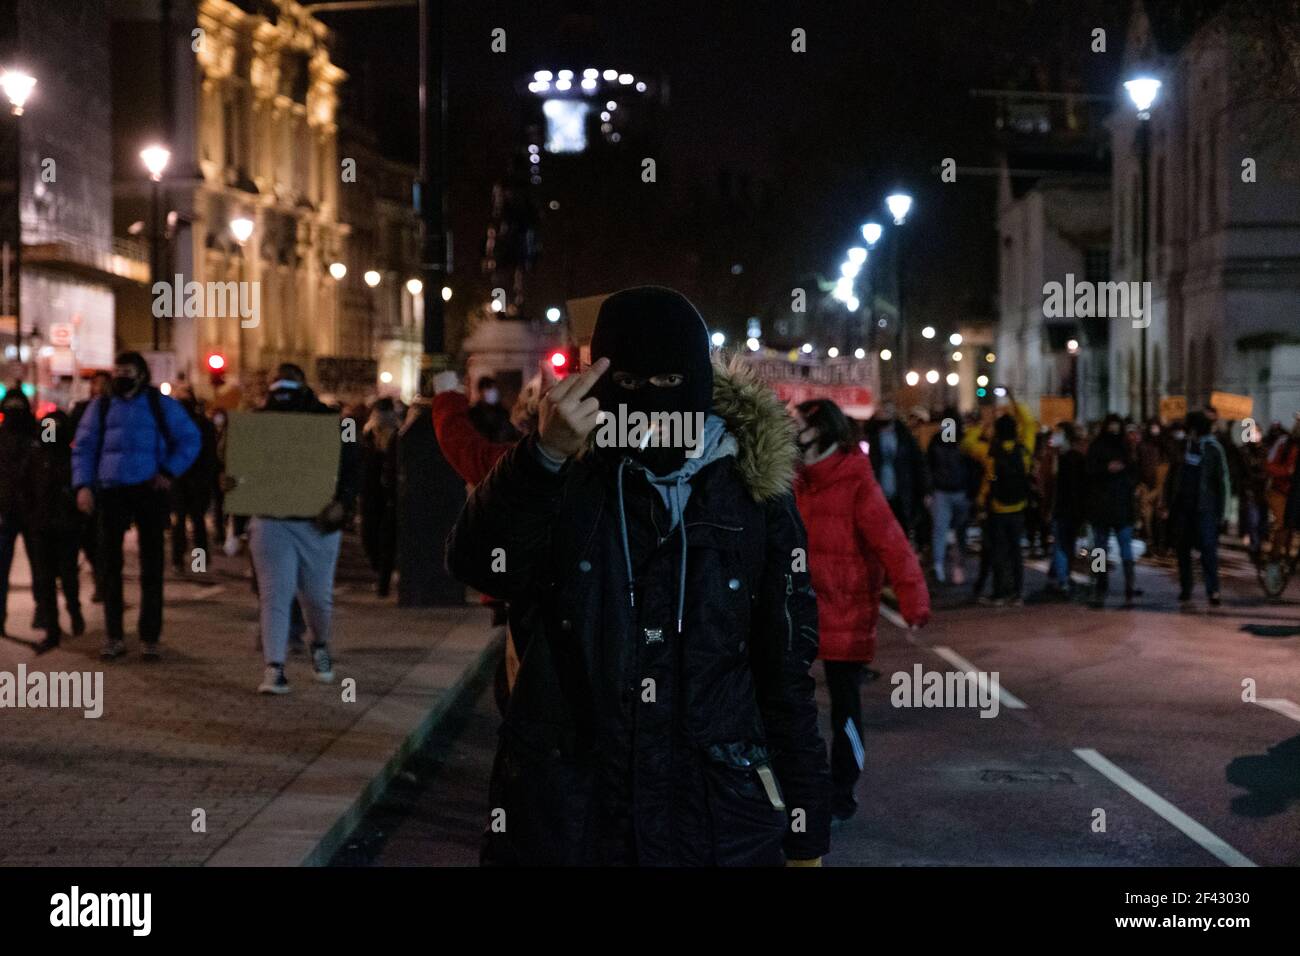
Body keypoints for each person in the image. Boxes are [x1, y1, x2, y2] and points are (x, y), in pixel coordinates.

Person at [447, 286, 831, 866]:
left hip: (712, 823)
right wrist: (542, 458)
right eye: (628, 387)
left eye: (668, 388)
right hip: (571, 818)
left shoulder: (752, 495)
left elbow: (785, 675)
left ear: (697, 386)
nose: (649, 407)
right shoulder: (567, 474)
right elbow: (479, 563)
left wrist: (806, 830)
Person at [794, 398, 929, 823]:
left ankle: (842, 792)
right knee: (788, 708)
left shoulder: (856, 481)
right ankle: (796, 790)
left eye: (799, 424)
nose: (791, 431)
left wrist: (914, 601)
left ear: (821, 430)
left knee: (845, 709)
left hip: (846, 613)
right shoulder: (792, 481)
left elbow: (892, 543)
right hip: (796, 613)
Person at [72, 353, 200, 660]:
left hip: (148, 490)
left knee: (152, 568)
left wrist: (169, 471)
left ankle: (149, 637)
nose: (120, 377)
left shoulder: (159, 405)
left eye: (126, 371)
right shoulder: (100, 407)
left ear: (141, 374)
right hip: (111, 490)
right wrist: (83, 486)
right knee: (109, 568)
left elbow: (190, 439)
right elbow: (84, 448)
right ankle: (114, 636)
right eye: (117, 371)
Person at [245, 364, 360, 694]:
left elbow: (352, 465)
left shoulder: (332, 422)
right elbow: (238, 465)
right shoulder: (256, 423)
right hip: (271, 520)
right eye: (275, 382)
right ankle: (274, 668)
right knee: (274, 596)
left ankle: (320, 645)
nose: (280, 388)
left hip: (316, 523)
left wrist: (343, 501)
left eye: (286, 382)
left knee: (317, 598)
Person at [961, 393, 1037, 605]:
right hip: (1019, 506)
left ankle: (1001, 592)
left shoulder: (990, 453)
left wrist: (983, 425)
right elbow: (1030, 424)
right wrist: (1014, 400)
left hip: (996, 508)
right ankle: (1018, 593)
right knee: (1016, 553)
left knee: (998, 553)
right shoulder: (1024, 451)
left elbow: (966, 444)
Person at [25, 408, 84, 652]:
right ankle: (53, 630)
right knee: (45, 579)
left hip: (65, 528)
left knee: (68, 576)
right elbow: (25, 489)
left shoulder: (71, 458)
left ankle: (74, 612)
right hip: (42, 527)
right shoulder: (36, 458)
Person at [1164, 411, 1230, 606]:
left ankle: (1213, 590)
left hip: (1205, 508)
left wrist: (1223, 513)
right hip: (1183, 508)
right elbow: (1172, 477)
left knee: (1208, 549)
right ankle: (1186, 588)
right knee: (1183, 549)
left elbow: (1222, 482)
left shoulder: (1213, 449)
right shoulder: (1183, 448)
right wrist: (1167, 502)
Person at [1085, 413, 1141, 608]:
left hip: (1118, 505)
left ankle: (1127, 586)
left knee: (1121, 547)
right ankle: (1100, 585)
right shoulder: (1099, 447)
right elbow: (1090, 472)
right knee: (1100, 548)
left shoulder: (1125, 449)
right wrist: (1106, 469)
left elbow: (1134, 474)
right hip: (1104, 505)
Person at [69, 370, 112, 602]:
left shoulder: (116, 409)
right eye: (97, 384)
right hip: (88, 481)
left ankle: (105, 583)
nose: (100, 388)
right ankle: (100, 581)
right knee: (90, 536)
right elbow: (69, 439)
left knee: (103, 537)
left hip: (110, 483)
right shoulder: (82, 409)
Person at [0, 388, 39, 641]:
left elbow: (56, 455)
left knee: (41, 567)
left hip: (32, 511)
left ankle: (44, 612)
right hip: (8, 511)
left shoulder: (40, 433)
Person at [169, 385, 218, 573]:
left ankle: (181, 561)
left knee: (184, 522)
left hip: (185, 479)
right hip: (192, 480)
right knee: (194, 523)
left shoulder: (177, 425)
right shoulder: (203, 424)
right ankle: (196, 563)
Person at [864, 401, 928, 541]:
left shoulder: (904, 437)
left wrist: (924, 490)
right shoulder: (871, 436)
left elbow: (918, 463)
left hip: (900, 490)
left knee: (900, 529)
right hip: (879, 489)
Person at [925, 406, 971, 583]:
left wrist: (928, 490)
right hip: (958, 490)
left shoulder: (937, 440)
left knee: (940, 530)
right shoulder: (964, 440)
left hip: (942, 490)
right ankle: (956, 568)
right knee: (959, 532)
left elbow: (929, 466)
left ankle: (939, 567)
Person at [361, 397, 400, 597]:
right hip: (375, 492)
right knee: (376, 538)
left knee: (383, 540)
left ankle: (383, 582)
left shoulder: (397, 435)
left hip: (383, 494)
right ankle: (383, 579)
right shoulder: (367, 433)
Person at [1045, 422, 1087, 597]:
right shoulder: (1076, 458)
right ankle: (1064, 576)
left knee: (1062, 544)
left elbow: (1055, 487)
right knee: (1067, 545)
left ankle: (1063, 580)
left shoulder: (1063, 460)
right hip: (1075, 510)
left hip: (1064, 509)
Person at [1264, 420, 1298, 562]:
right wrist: (1286, 471)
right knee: (1282, 524)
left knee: (1290, 525)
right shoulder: (1284, 443)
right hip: (1280, 491)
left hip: (1295, 492)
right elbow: (1269, 465)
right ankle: (1275, 559)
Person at [467, 375, 519, 444]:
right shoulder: (474, 413)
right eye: (489, 388)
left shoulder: (503, 412)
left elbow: (510, 433)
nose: (493, 392)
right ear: (480, 392)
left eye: (494, 389)